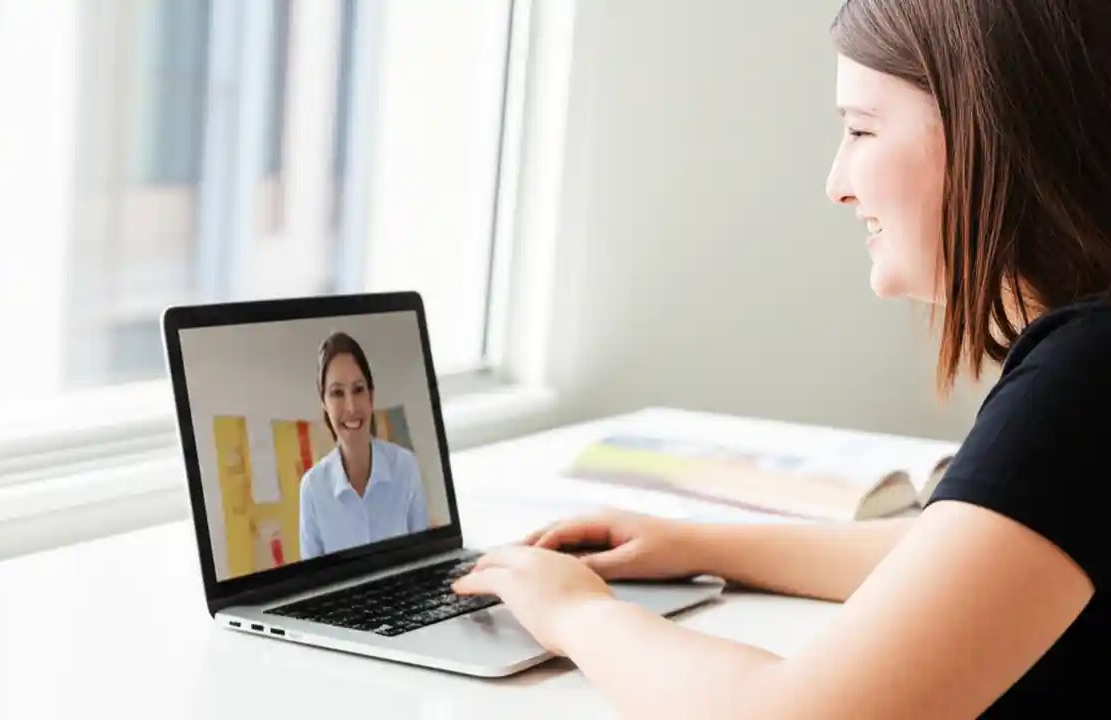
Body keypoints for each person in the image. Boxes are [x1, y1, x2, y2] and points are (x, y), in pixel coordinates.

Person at [453, 1, 1111, 717]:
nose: (838, 184)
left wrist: (573, 615)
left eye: (861, 129)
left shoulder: (1082, 382)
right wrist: (696, 545)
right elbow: (969, 551)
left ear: (996, 129)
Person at [298, 331, 428, 559]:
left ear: (371, 396)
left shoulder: (405, 467)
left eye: (358, 389)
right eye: (337, 393)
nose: (350, 407)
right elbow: (312, 587)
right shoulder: (312, 488)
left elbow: (424, 561)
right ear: (324, 405)